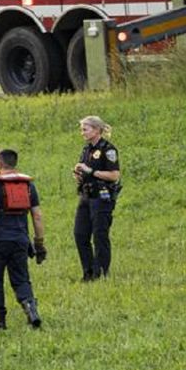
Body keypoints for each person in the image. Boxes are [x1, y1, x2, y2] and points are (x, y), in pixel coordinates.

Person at [0, 149, 46, 329]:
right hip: (21, 240)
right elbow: (37, 216)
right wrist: (39, 243)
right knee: (21, 279)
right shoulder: (28, 185)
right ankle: (30, 308)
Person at [73, 115, 121, 281]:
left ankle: (100, 272)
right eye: (82, 129)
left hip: (101, 198)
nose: (82, 133)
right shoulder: (87, 150)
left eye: (85, 129)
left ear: (96, 130)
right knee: (80, 234)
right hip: (86, 196)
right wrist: (79, 174)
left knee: (99, 235)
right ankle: (88, 272)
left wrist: (91, 172)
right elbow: (85, 171)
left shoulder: (108, 150)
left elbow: (114, 175)